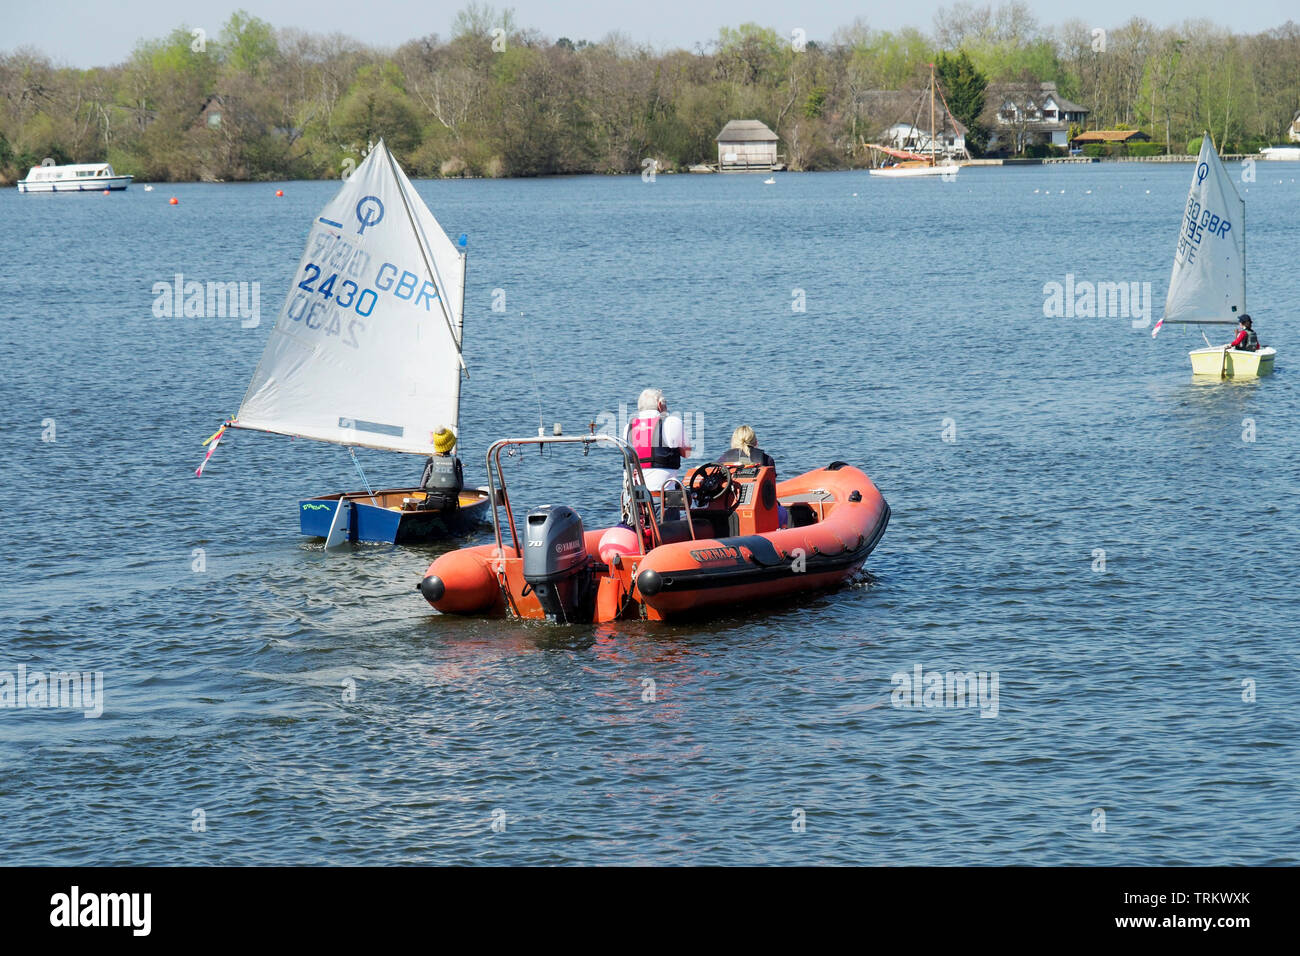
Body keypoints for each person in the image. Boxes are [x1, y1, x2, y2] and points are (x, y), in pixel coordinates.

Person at [626, 388, 691, 492]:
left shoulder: (628, 427)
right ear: (660, 405)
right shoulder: (672, 422)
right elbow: (687, 453)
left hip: (635, 495)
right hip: (663, 494)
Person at [418, 427, 464, 511]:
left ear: (436, 444)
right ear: (451, 445)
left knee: (419, 505)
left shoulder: (430, 461)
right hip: (451, 504)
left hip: (433, 503)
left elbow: (422, 485)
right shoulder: (456, 461)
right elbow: (460, 486)